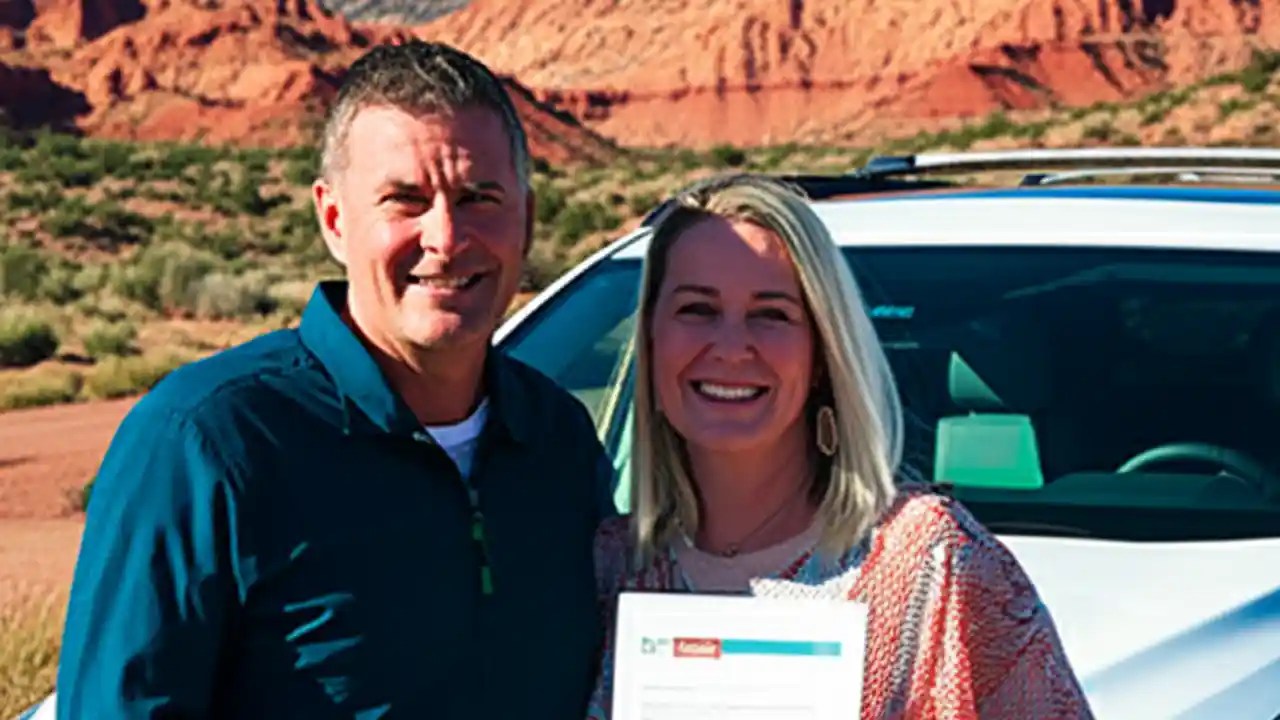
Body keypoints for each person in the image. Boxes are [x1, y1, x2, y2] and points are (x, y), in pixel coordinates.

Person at [56, 40, 616, 719]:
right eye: (404, 201)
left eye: (479, 197)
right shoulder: (209, 442)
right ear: (333, 219)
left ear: (525, 217)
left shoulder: (557, 439)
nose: (445, 236)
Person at [586, 174, 1094, 719]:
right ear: (651, 338)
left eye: (771, 313)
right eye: (697, 309)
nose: (731, 347)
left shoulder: (930, 563)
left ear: (824, 354)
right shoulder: (607, 569)